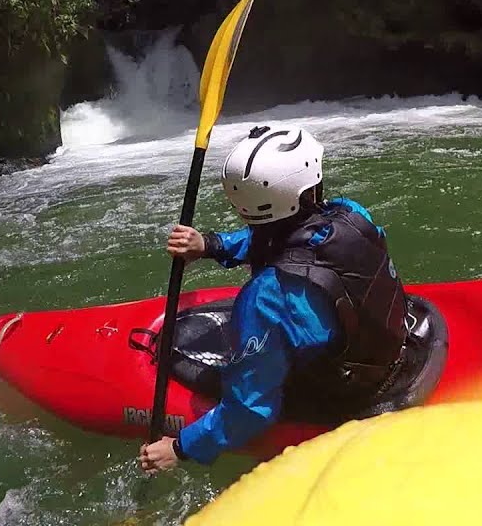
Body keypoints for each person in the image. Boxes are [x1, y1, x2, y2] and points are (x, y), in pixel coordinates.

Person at [139, 123, 407, 474]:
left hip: (348, 388)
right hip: (392, 343)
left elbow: (251, 410)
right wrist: (212, 245)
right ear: (309, 189)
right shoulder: (351, 214)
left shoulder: (266, 298)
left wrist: (181, 447)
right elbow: (288, 239)